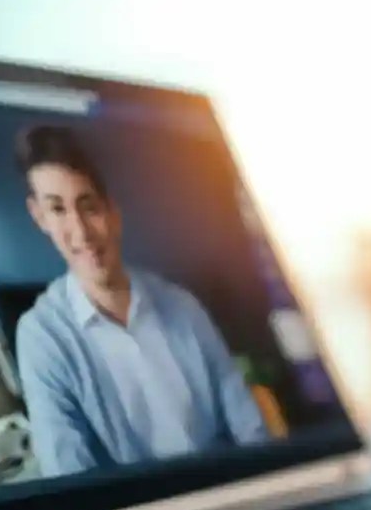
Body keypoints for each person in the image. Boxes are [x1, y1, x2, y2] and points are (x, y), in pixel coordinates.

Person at [13, 125, 268, 476]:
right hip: (135, 508)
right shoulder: (41, 336)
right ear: (39, 217)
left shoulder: (183, 306)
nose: (81, 232)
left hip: (225, 489)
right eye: (58, 210)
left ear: (113, 213)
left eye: (89, 207)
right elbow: (68, 475)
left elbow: (250, 429)